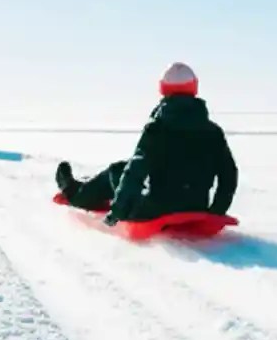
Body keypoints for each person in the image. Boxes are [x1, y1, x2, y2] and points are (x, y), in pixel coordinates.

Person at [55, 62, 237, 227]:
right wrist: (217, 210)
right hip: (197, 205)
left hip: (155, 210)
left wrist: (117, 211)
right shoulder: (213, 132)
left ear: (163, 89)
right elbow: (229, 174)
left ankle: (75, 193)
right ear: (194, 88)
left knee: (116, 170)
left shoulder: (157, 129)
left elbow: (135, 170)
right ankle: (87, 188)